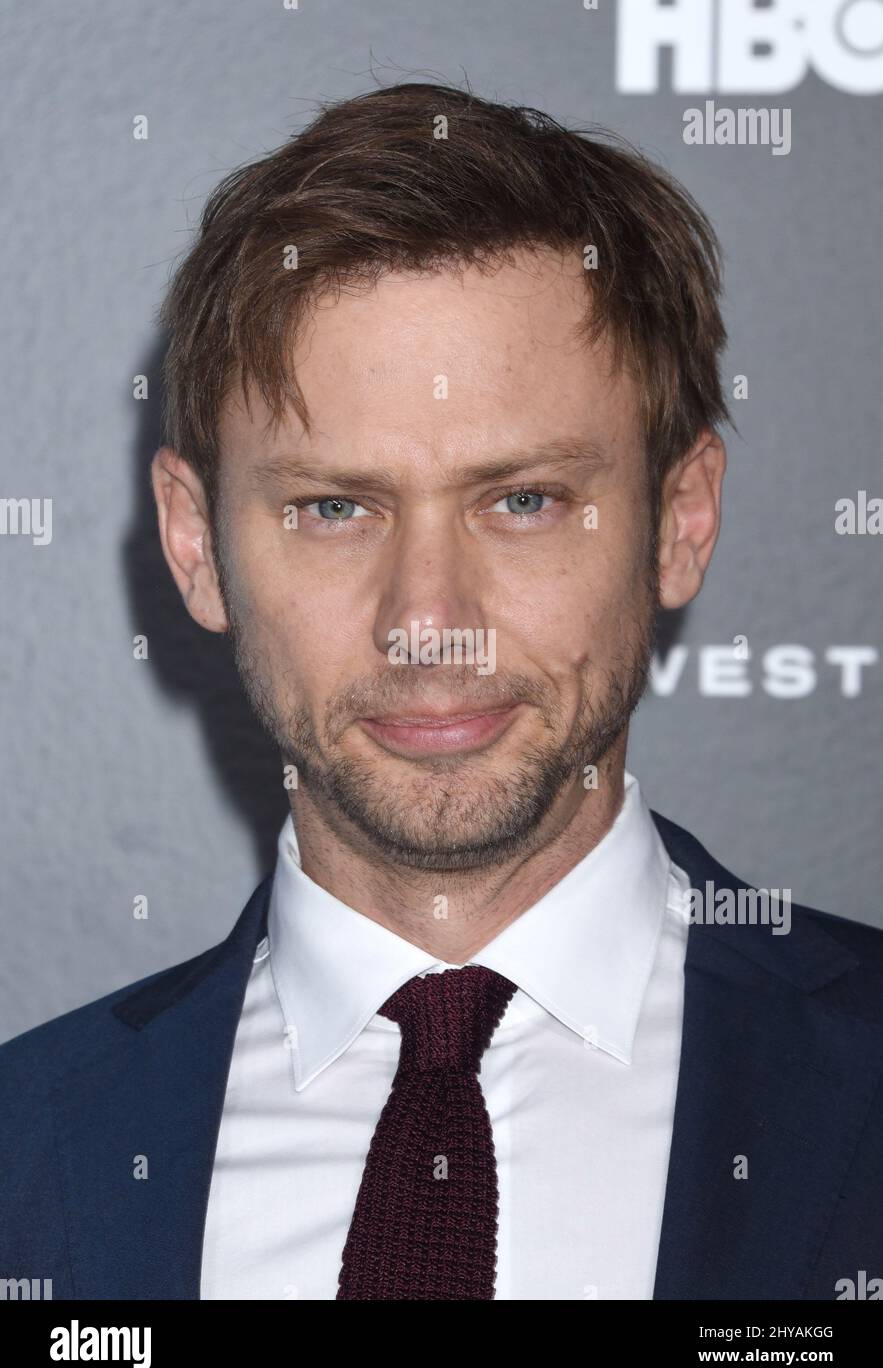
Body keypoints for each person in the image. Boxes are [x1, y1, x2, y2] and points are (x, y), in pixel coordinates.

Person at [2, 81, 881, 1302]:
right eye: (332, 508)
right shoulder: (26, 1157)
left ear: (681, 522)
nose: (426, 621)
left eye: (520, 499)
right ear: (194, 544)